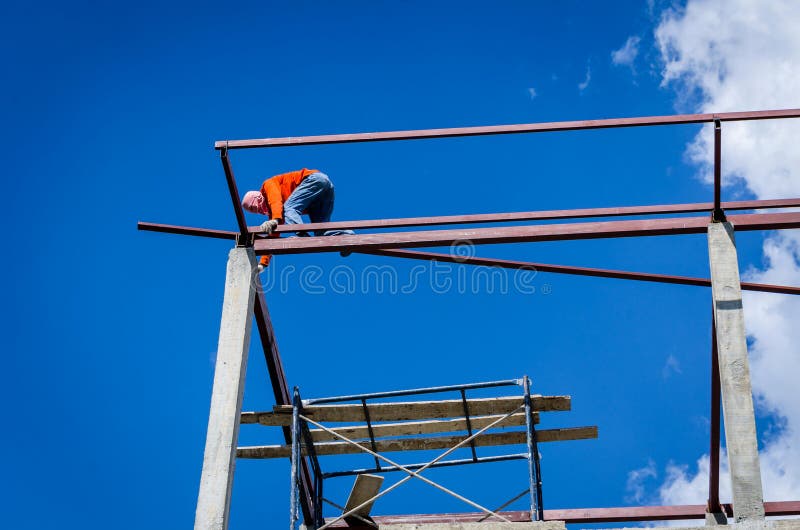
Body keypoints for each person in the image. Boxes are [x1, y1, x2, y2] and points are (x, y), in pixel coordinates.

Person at [241, 168, 353, 270]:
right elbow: (272, 237)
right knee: (321, 232)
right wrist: (263, 264)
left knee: (288, 208)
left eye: (253, 207)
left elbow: (275, 199)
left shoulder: (268, 185)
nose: (258, 211)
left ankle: (302, 236)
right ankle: (347, 236)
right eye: (253, 212)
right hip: (322, 194)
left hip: (314, 180)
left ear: (257, 197)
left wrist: (275, 220)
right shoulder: (276, 212)